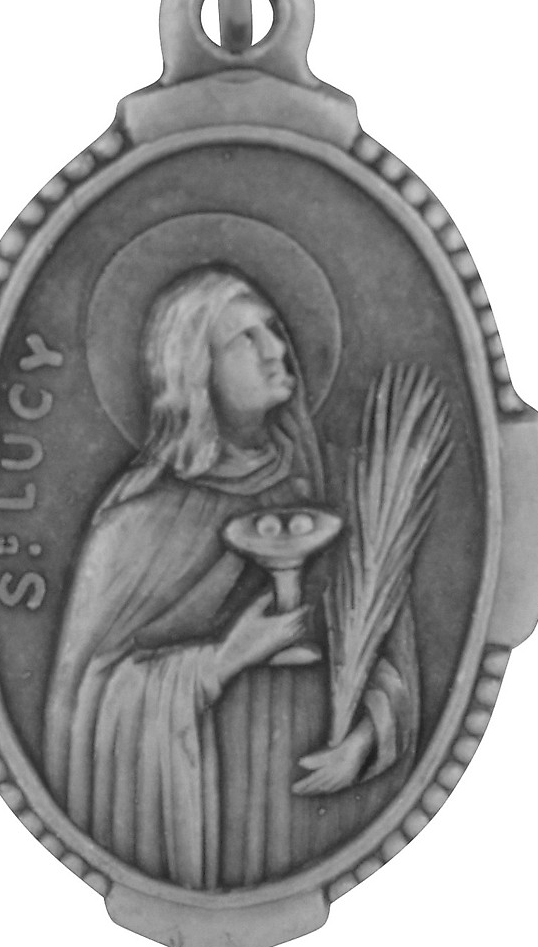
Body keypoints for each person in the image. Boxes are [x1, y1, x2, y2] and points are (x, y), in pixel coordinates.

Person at [43, 267, 417, 890]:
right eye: (246, 338)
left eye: (274, 329)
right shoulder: (141, 522)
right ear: (196, 369)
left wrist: (366, 739)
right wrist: (222, 660)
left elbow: (383, 647)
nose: (277, 349)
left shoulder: (330, 490)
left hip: (312, 818)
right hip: (203, 809)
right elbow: (88, 699)